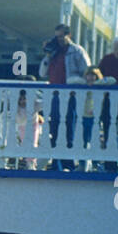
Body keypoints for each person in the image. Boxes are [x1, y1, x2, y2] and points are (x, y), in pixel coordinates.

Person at [38, 22, 90, 151]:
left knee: (68, 126)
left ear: (69, 35)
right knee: (55, 126)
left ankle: (69, 161)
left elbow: (87, 72)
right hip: (55, 94)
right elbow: (42, 73)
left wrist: (77, 84)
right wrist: (48, 54)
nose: (59, 39)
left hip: (71, 95)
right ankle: (57, 161)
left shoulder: (77, 51)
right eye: (57, 37)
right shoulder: (54, 51)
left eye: (61, 36)